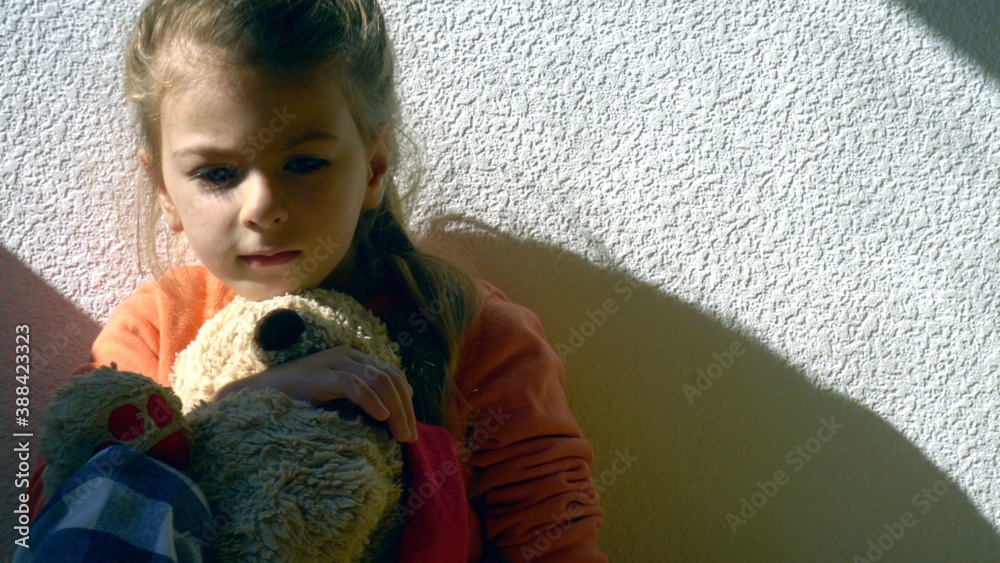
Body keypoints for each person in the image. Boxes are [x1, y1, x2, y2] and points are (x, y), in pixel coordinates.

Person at [24, 0, 605, 561]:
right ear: (164, 191)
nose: (263, 207)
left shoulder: (473, 333)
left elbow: (556, 543)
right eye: (218, 173)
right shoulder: (156, 329)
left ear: (374, 166)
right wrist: (234, 408)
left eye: (304, 163)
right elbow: (63, 517)